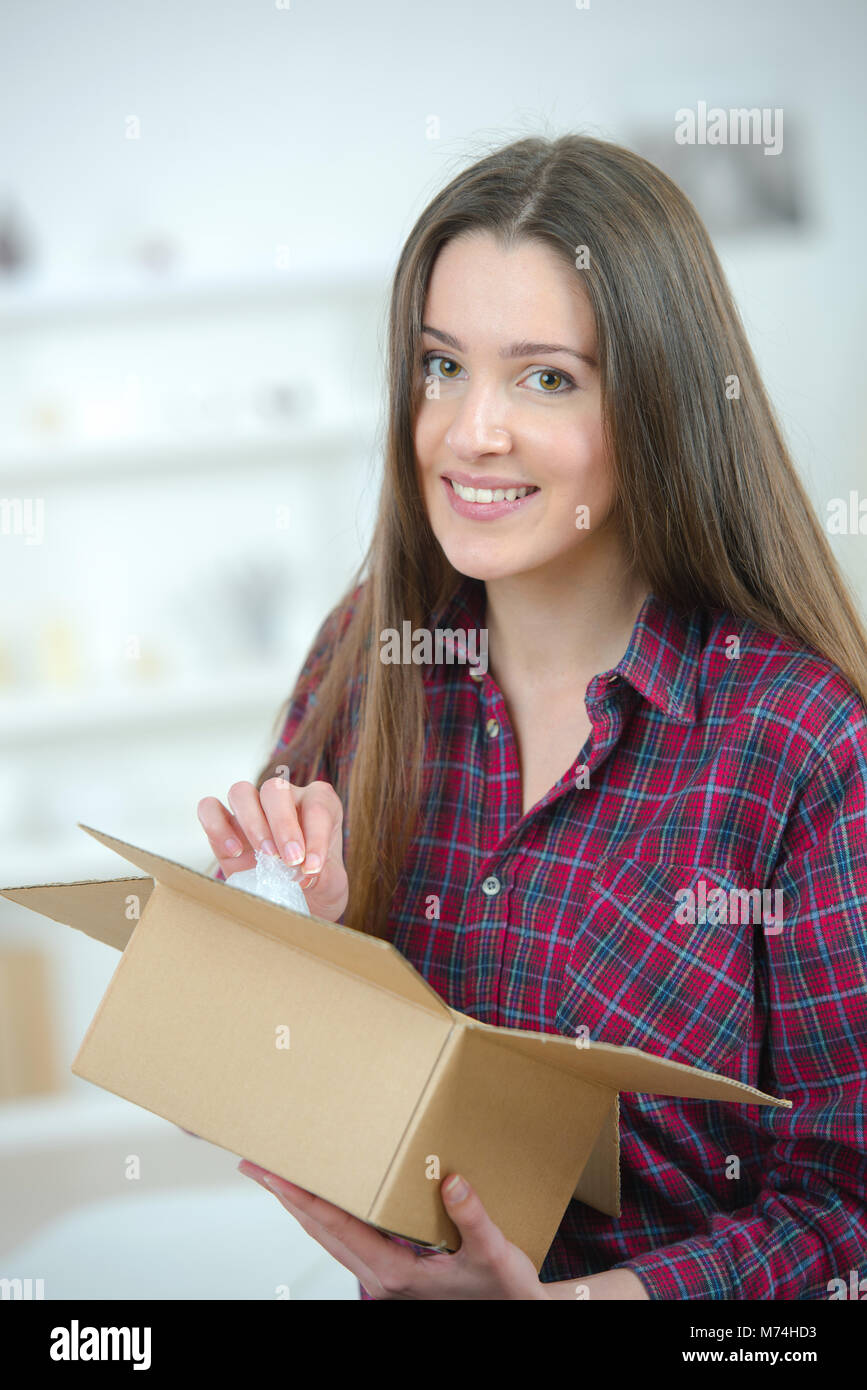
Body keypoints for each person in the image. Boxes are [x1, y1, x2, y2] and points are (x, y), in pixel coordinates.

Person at [196, 133, 867, 1300]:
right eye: (441, 364)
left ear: (655, 400)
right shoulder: (369, 656)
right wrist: (293, 940)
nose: (469, 431)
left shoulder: (802, 743)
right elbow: (267, 1081)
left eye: (545, 377)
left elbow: (848, 1204)